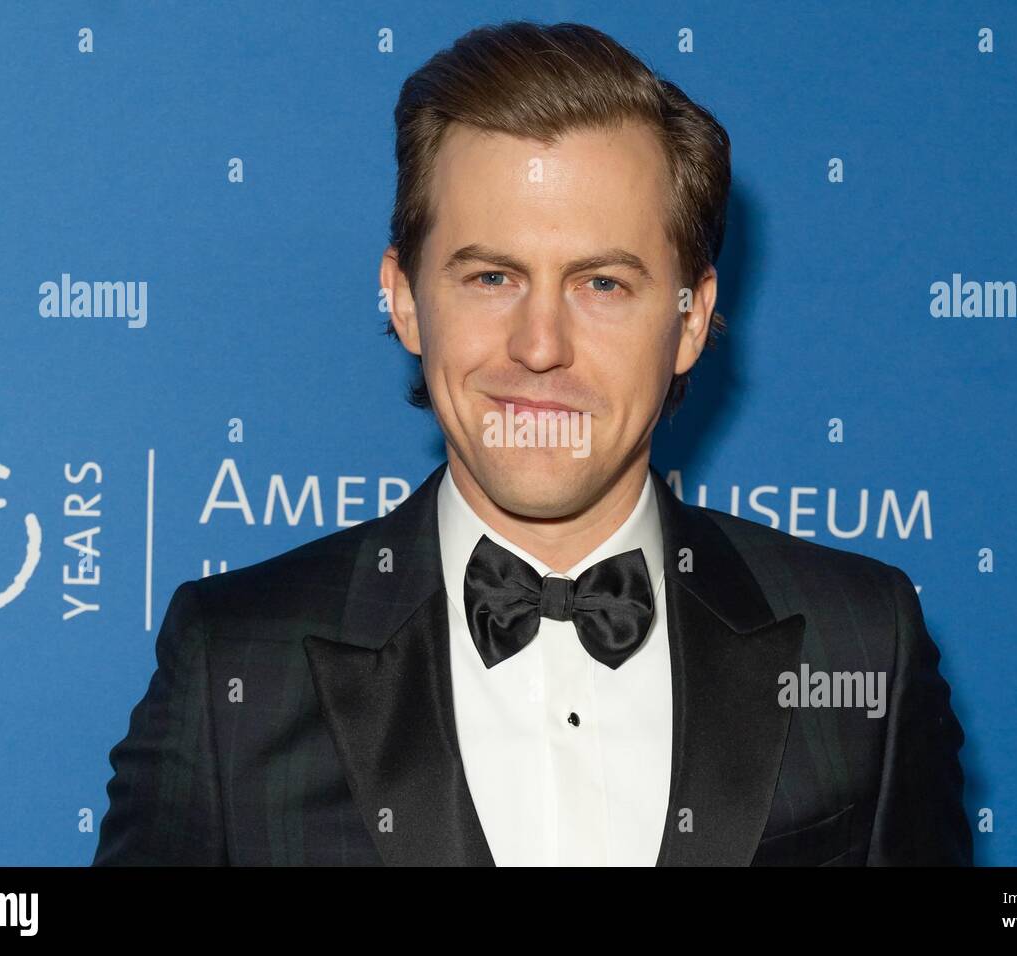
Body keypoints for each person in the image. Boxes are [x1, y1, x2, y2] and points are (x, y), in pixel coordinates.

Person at [92, 20, 972, 866]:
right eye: (490, 277)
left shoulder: (860, 645)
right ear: (402, 299)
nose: (540, 345)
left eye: (602, 282)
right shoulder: (237, 666)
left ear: (692, 318)